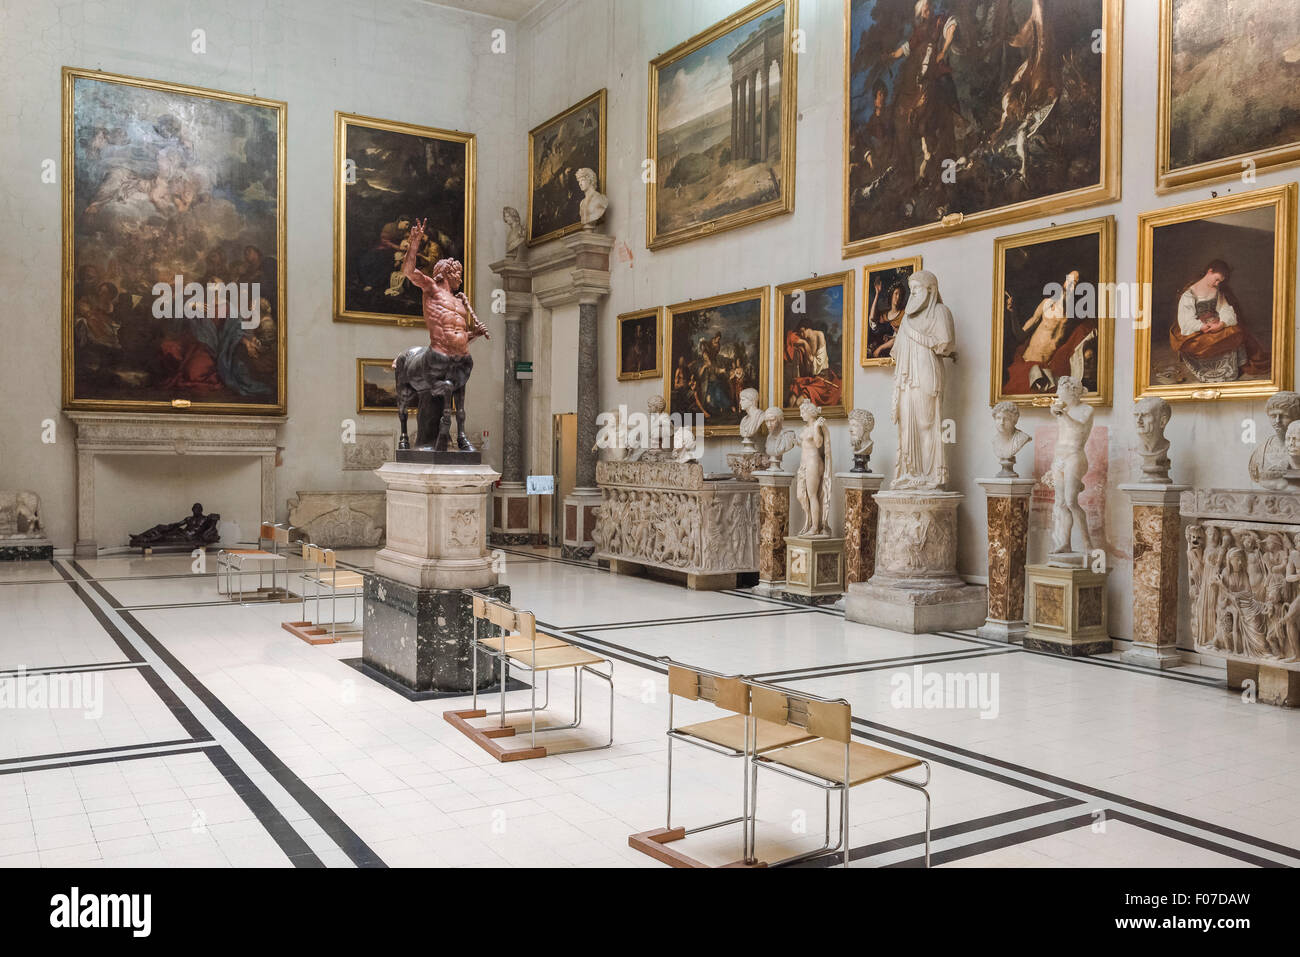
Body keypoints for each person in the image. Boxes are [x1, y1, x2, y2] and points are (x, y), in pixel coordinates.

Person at [393, 219, 489, 451]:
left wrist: (473, 333)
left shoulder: (459, 301)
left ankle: (461, 436)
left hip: (461, 357)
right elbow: (408, 271)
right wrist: (414, 243)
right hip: (438, 356)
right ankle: (428, 432)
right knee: (443, 391)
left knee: (461, 395)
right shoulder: (431, 289)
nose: (461, 279)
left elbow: (457, 334)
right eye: (458, 274)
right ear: (447, 273)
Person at [891, 270, 956, 489]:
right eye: (912, 289)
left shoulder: (940, 311)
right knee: (906, 425)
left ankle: (932, 476)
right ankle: (910, 473)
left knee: (927, 422)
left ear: (930, 289)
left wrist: (921, 340)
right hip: (906, 377)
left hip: (927, 371)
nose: (913, 293)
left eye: (917, 288)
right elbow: (896, 351)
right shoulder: (907, 320)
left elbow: (945, 343)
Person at [1171, 260, 1269, 381]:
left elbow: (1225, 309)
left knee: (1236, 331)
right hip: (1197, 329)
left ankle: (1232, 367)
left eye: (1220, 281)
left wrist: (1222, 324)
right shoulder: (1189, 294)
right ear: (1209, 271)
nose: (1217, 283)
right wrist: (1201, 327)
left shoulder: (1216, 291)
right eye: (1216, 279)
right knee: (1199, 342)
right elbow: (1186, 319)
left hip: (1215, 324)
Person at [1048, 377, 1094, 558]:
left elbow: (1079, 430)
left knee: (1071, 501)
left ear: (1072, 392)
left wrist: (1063, 415)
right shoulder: (1062, 408)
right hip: (1059, 457)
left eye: (1061, 391)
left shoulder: (1086, 409)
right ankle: (1064, 544)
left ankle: (1088, 544)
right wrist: (1059, 412)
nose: (1058, 394)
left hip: (1075, 457)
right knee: (1060, 503)